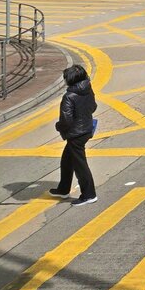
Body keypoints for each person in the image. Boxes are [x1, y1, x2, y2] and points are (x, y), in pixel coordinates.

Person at [50, 64, 98, 205]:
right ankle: (63, 189)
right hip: (86, 129)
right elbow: (93, 106)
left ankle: (89, 195)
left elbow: (66, 121)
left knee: (80, 166)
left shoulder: (69, 96)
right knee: (66, 160)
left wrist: (58, 126)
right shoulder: (87, 89)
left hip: (76, 135)